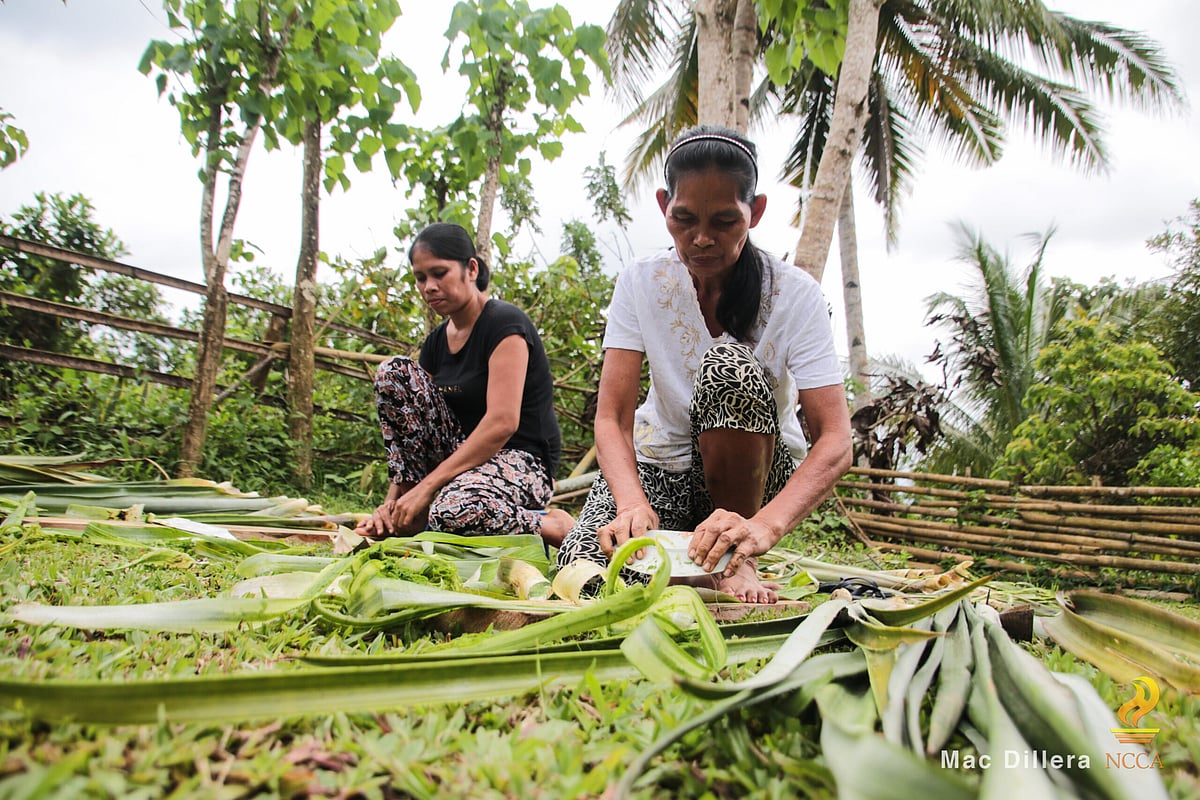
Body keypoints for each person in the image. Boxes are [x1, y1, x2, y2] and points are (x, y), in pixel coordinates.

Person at [554, 125, 853, 603]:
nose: (701, 239)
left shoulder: (796, 295)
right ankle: (678, 558)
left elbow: (835, 440)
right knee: (585, 574)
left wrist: (762, 529)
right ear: (663, 206)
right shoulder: (640, 281)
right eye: (684, 219)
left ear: (755, 212)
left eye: (725, 221)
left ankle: (734, 558)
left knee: (728, 366)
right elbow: (612, 418)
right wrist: (631, 504)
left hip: (753, 476)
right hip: (659, 468)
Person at [355, 222, 574, 547]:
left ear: (471, 269)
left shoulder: (504, 324)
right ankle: (414, 517)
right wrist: (394, 504)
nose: (428, 286)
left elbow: (503, 423)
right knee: (394, 372)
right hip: (459, 464)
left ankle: (548, 523)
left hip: (521, 460)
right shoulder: (436, 343)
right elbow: (409, 434)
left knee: (454, 510)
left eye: (439, 273)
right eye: (420, 277)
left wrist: (427, 489)